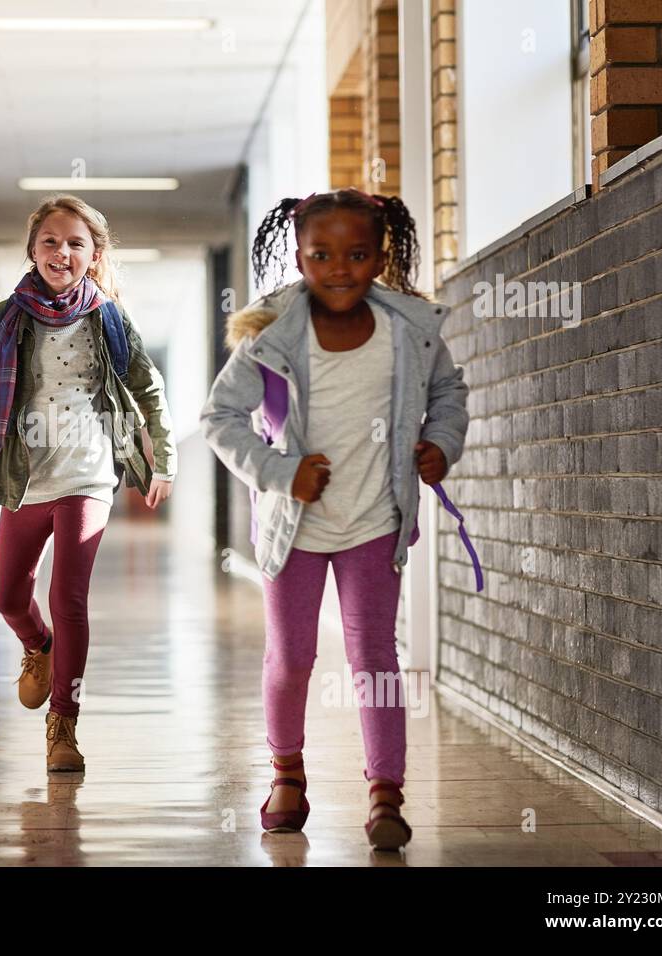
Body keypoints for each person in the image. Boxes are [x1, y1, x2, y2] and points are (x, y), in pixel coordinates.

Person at [201, 188, 470, 849]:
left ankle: (385, 795)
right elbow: (219, 419)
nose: (341, 269)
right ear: (300, 257)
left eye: (357, 254)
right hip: (293, 525)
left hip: (376, 520)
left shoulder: (412, 329)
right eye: (322, 255)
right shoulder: (272, 336)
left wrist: (441, 444)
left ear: (382, 256)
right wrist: (278, 473)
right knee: (291, 658)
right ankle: (286, 773)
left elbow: (448, 396)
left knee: (374, 659)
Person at [0, 195, 176, 773]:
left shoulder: (110, 319)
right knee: (6, 598)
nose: (62, 252)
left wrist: (162, 460)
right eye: (51, 241)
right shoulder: (4, 317)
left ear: (93, 255)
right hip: (24, 476)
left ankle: (64, 727)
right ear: (32, 250)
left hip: (88, 474)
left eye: (76, 243)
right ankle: (37, 646)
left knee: (68, 599)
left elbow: (148, 389)